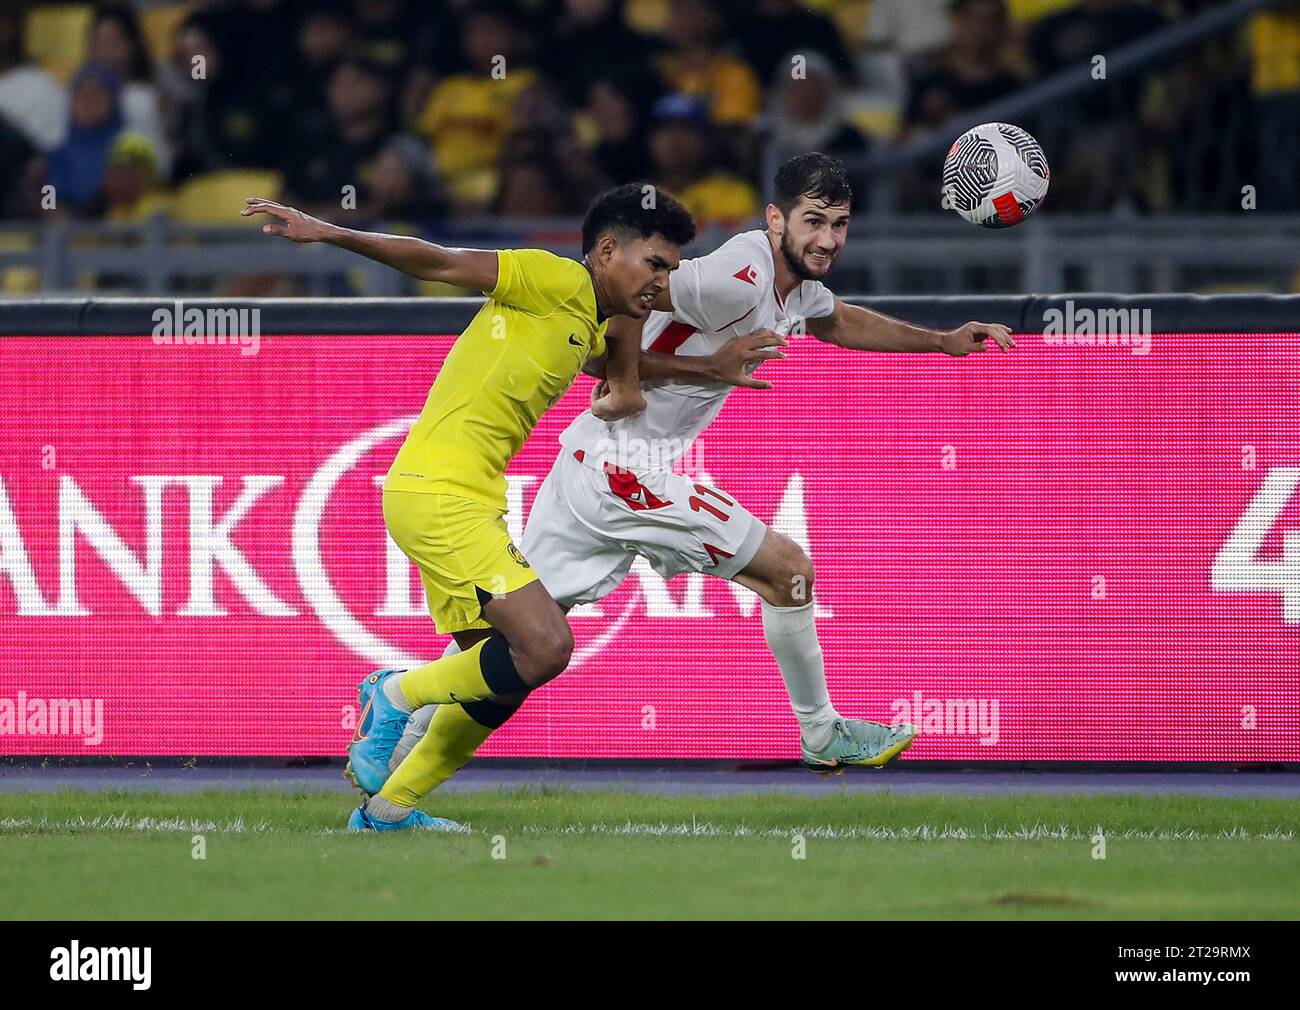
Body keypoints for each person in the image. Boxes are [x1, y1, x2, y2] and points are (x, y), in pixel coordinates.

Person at [377, 153, 1013, 796]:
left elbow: (837, 319)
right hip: (623, 468)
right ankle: (821, 732)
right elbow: (631, 291)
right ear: (775, 220)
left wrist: (941, 341)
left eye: (840, 224)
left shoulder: (798, 287)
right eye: (813, 221)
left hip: (582, 466)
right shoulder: (738, 276)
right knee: (789, 570)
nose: (827, 238)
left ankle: (388, 780)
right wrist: (624, 380)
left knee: (509, 653)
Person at [241, 184, 696, 831]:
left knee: (504, 676)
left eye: (671, 271)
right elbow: (441, 262)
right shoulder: (553, 277)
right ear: (607, 250)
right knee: (546, 645)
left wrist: (711, 365)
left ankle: (390, 810)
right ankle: (392, 692)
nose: (662, 281)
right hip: (438, 492)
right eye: (655, 264)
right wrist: (332, 232)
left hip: (466, 500)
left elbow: (623, 375)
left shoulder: (582, 316)